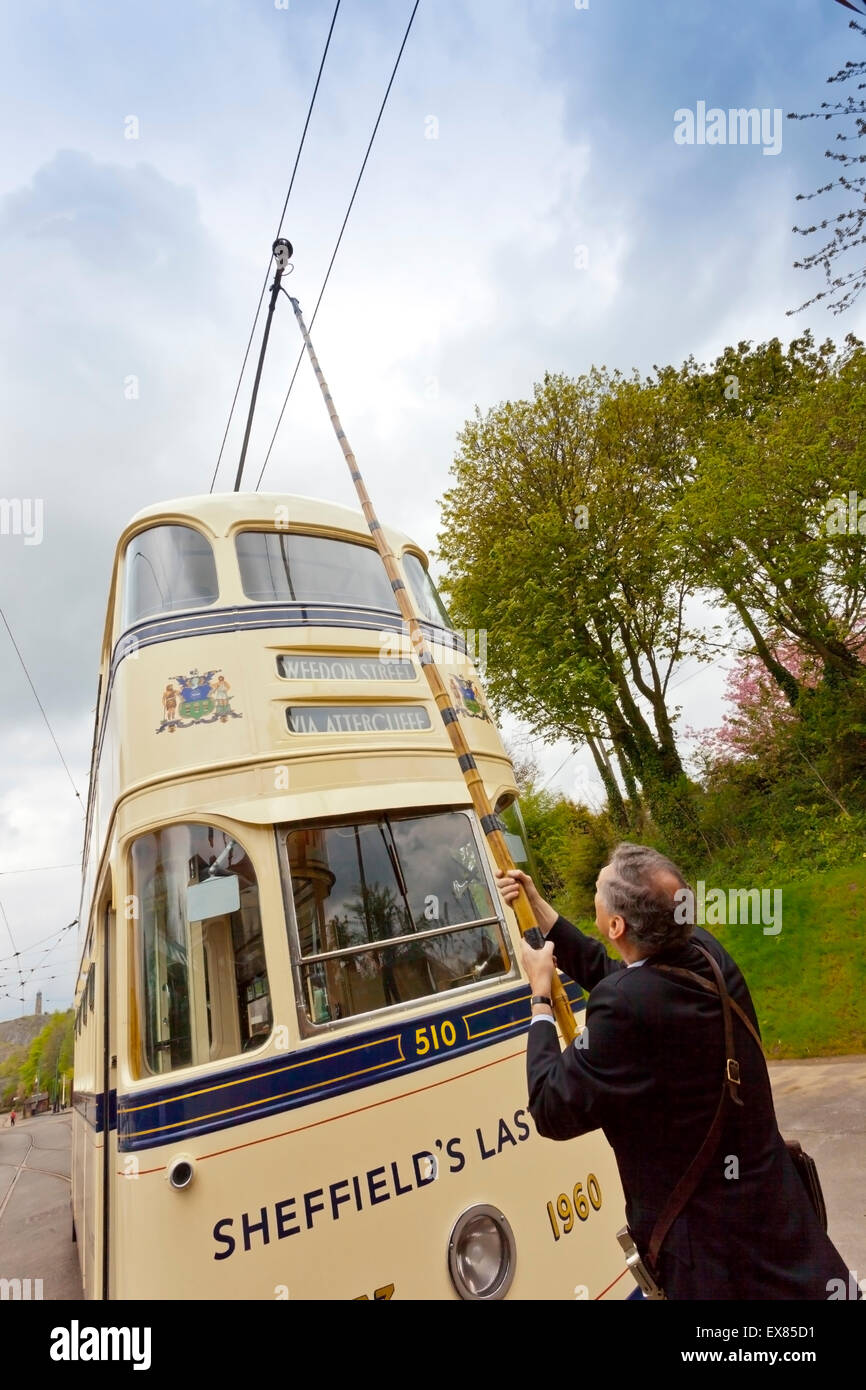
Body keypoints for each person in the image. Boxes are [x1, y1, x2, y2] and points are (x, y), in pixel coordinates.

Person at [498, 842, 856, 1300]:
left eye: (599, 885)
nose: (597, 886)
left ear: (616, 925)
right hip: (782, 1231)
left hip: (715, 1261)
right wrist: (541, 911)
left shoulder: (627, 1006)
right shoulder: (704, 951)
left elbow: (549, 1107)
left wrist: (540, 996)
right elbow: (618, 973)